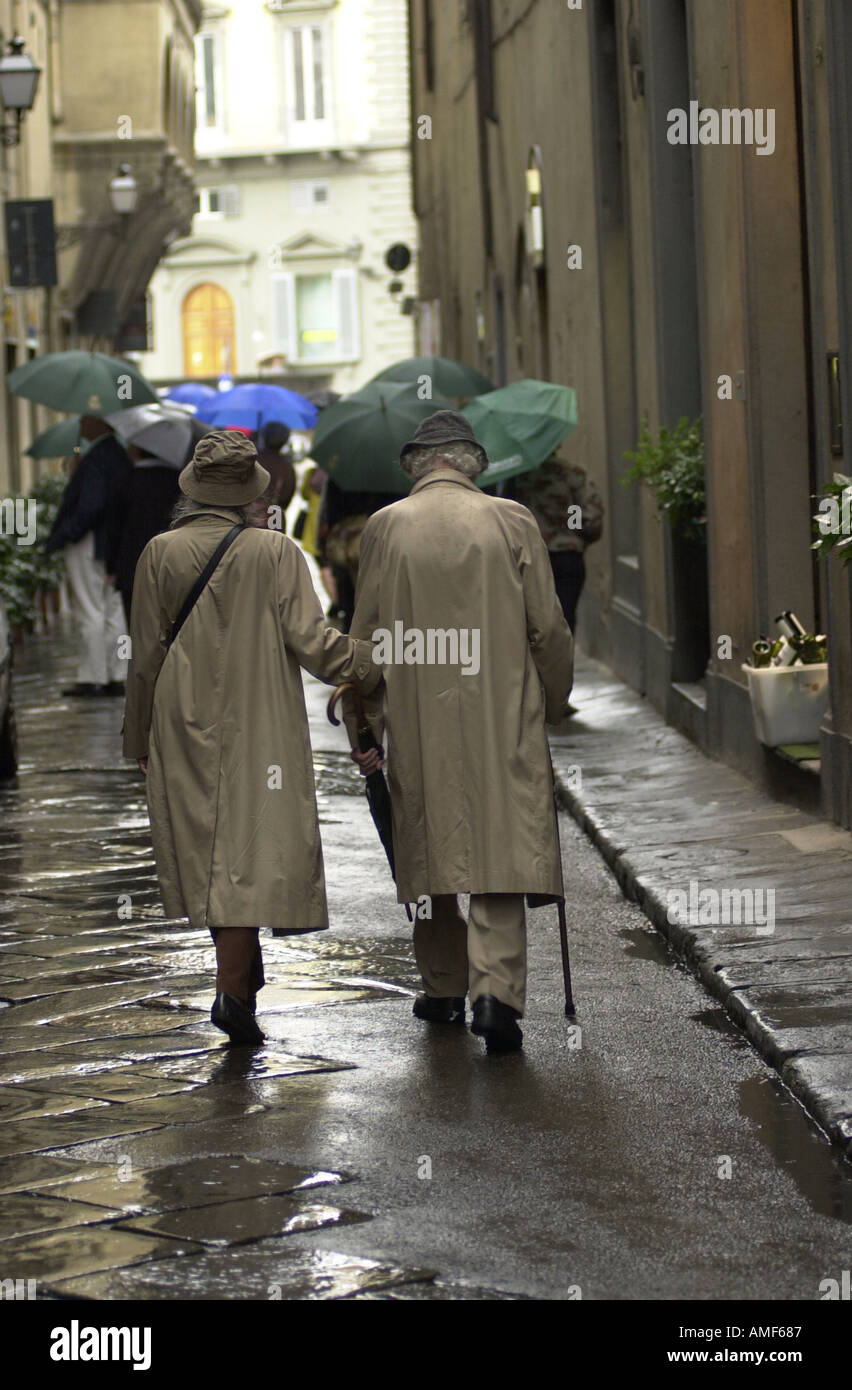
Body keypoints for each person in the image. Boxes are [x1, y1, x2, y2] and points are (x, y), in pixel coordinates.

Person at [122, 430, 380, 1046]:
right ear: (248, 496)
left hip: (180, 721)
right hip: (258, 722)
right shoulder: (275, 552)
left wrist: (138, 736)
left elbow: (143, 658)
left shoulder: (159, 552)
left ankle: (238, 974)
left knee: (207, 847)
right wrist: (373, 663)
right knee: (245, 849)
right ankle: (233, 989)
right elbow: (316, 645)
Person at [346, 410, 574, 1054]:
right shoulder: (511, 520)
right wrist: (553, 699)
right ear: (473, 463)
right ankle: (496, 996)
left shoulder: (385, 528)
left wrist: (367, 719)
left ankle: (445, 984)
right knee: (499, 848)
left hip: (420, 716)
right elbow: (549, 630)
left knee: (428, 850)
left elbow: (366, 639)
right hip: (504, 709)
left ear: (415, 467)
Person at [44, 415, 131, 697]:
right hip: (112, 544)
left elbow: (90, 506)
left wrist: (64, 534)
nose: (80, 425)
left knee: (91, 610)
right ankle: (117, 674)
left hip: (89, 542)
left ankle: (93, 676)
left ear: (99, 424)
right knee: (113, 611)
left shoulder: (98, 457)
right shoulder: (118, 454)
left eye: (85, 419)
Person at [509, 451, 604, 634]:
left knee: (531, 622)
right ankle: (563, 660)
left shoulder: (516, 478)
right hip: (566, 555)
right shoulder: (571, 473)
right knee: (565, 619)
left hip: (529, 558)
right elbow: (591, 517)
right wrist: (571, 527)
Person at [103, 444, 181, 627]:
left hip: (131, 565)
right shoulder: (175, 479)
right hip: (170, 562)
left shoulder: (124, 479)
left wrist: (111, 567)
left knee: (135, 624)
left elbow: (113, 526)